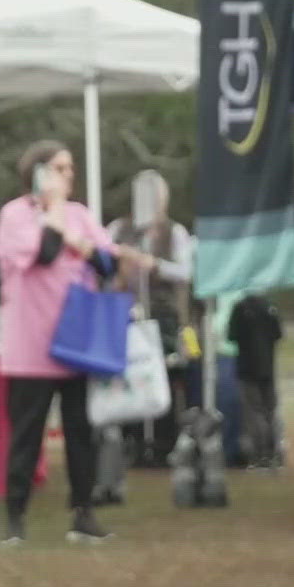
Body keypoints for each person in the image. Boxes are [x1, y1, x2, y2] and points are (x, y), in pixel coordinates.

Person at [0, 140, 125, 546]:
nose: (69, 175)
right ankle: (15, 518)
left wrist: (78, 240)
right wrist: (52, 215)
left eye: (70, 168)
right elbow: (46, 254)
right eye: (60, 168)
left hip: (73, 342)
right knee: (27, 435)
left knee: (79, 431)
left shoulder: (80, 215)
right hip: (30, 346)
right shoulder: (15, 216)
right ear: (38, 173)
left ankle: (83, 514)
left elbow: (108, 263)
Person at [104, 169, 195, 469]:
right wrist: (122, 262)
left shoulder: (175, 232)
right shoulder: (119, 228)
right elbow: (101, 260)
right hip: (125, 315)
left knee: (163, 377)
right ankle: (130, 440)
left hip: (163, 317)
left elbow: (185, 271)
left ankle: (163, 444)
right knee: (128, 376)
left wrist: (153, 264)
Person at [229, 293, 284, 471]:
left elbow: (231, 335)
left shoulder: (240, 308)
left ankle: (260, 455)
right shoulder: (270, 306)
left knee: (254, 412)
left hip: (247, 368)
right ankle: (274, 453)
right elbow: (278, 334)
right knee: (270, 411)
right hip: (268, 366)